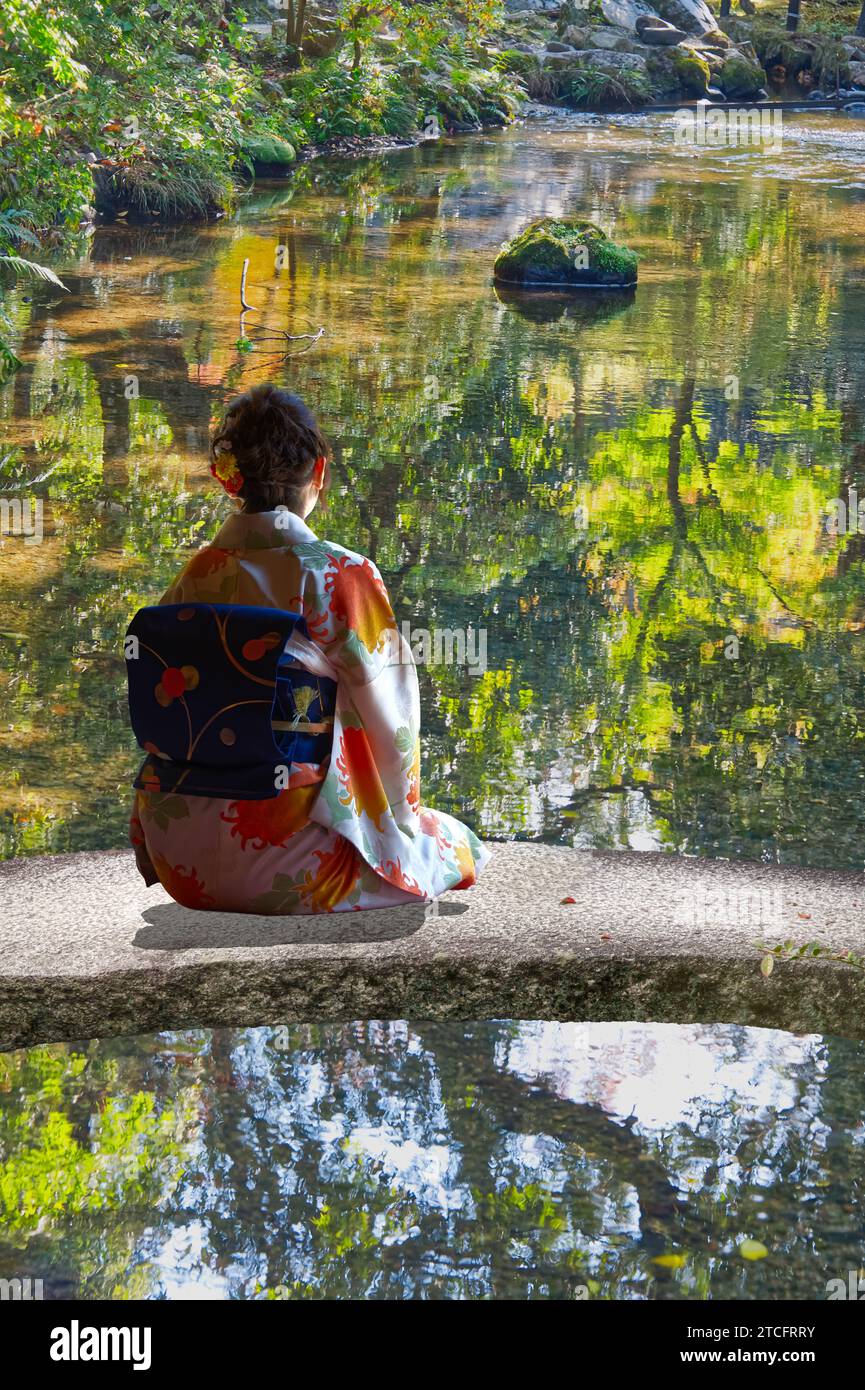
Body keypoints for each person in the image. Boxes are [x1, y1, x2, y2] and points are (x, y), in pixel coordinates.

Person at [128, 384, 489, 913]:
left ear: (233, 481)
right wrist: (404, 823)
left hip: (179, 860)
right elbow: (394, 723)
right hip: (291, 864)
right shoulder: (341, 573)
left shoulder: (196, 574)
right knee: (456, 845)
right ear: (318, 472)